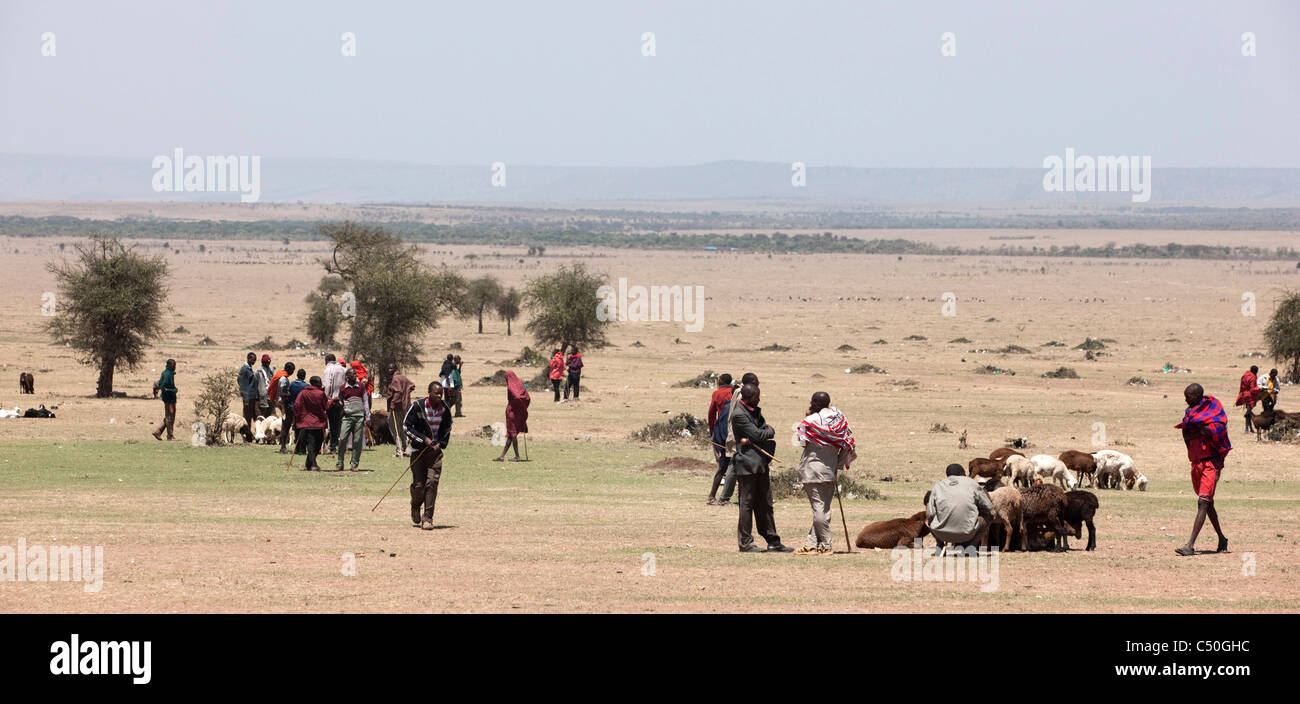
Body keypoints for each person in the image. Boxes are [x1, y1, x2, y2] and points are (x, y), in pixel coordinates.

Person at [731, 383, 792, 552]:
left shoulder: (755, 411)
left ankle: (773, 540)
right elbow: (758, 434)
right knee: (747, 504)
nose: (758, 399)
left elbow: (759, 431)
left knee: (765, 503)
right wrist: (769, 432)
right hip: (747, 465)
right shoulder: (739, 414)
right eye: (756, 397)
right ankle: (745, 543)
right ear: (748, 397)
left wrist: (763, 432)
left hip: (761, 463)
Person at [793, 392, 856, 555]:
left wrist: (806, 417)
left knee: (818, 509)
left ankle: (826, 545)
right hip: (830, 471)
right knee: (824, 509)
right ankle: (811, 544)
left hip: (812, 470)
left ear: (813, 402)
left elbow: (801, 442)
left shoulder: (811, 422)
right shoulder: (839, 419)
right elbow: (847, 445)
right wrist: (838, 465)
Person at [1174, 383, 1230, 556]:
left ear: (1197, 396)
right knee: (1207, 503)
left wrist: (1198, 432)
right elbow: (1187, 433)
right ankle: (1221, 538)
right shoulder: (1190, 414)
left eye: (1188, 396)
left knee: (1203, 502)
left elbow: (1216, 430)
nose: (1185, 399)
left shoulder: (1212, 410)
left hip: (1211, 463)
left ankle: (1189, 545)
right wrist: (1198, 432)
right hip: (1196, 462)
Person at [403, 381, 454, 530]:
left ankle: (428, 519)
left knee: (432, 483)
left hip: (435, 454)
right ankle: (415, 506)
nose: (439, 396)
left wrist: (440, 444)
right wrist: (423, 439)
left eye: (441, 394)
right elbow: (406, 426)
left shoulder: (445, 409)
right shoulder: (418, 406)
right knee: (419, 486)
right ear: (429, 393)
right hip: (418, 452)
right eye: (436, 393)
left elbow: (447, 428)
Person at [926, 464, 994, 551]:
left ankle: (939, 544)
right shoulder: (971, 483)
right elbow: (988, 506)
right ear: (961, 473)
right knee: (990, 515)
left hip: (940, 533)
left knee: (930, 518)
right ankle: (969, 546)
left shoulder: (938, 486)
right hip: (966, 533)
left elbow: (930, 513)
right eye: (965, 473)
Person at [705, 373, 735, 505]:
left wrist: (712, 430)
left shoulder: (717, 394)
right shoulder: (736, 392)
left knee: (722, 463)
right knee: (733, 464)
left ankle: (712, 496)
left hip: (721, 430)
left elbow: (712, 413)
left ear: (720, 382)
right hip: (734, 430)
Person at [335, 368, 371, 471]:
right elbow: (341, 401)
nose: (355, 375)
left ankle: (354, 464)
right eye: (353, 374)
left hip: (359, 416)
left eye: (355, 373)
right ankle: (340, 463)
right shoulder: (342, 388)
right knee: (342, 439)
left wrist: (367, 416)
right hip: (347, 417)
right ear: (347, 376)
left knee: (357, 441)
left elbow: (365, 401)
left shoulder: (361, 386)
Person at [293, 375, 330, 472]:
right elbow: (326, 406)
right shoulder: (320, 393)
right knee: (316, 444)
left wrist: (298, 418)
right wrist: (333, 401)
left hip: (306, 423)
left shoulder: (303, 393)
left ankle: (307, 464)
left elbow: (297, 405)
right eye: (320, 382)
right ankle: (314, 464)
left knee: (311, 444)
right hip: (318, 422)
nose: (321, 383)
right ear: (316, 383)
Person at [494, 371, 530, 462]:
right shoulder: (520, 383)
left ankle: (517, 456)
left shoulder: (511, 386)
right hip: (517, 413)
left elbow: (517, 397)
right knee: (510, 434)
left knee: (512, 434)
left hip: (512, 413)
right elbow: (527, 397)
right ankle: (502, 456)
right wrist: (523, 408)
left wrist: (516, 405)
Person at [385, 363, 415, 458]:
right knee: (402, 428)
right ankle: (406, 449)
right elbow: (412, 386)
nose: (389, 370)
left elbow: (398, 392)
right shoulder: (403, 377)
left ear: (394, 369)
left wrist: (393, 403)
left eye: (391, 368)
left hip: (397, 408)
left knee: (394, 429)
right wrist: (406, 396)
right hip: (405, 407)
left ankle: (399, 451)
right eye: (388, 368)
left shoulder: (396, 378)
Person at [322, 354, 347, 453]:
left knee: (331, 424)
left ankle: (332, 446)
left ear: (327, 361)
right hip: (342, 401)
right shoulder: (344, 369)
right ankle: (339, 444)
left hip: (331, 400)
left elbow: (327, 385)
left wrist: (326, 398)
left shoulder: (328, 369)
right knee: (339, 424)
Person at [272, 362, 296, 453]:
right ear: (289, 370)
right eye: (292, 370)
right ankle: (283, 447)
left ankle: (283, 447)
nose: (292, 372)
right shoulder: (283, 379)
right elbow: (282, 392)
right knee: (286, 425)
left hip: (282, 403)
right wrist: (290, 394)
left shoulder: (282, 377)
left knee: (285, 425)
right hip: (284, 405)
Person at [152, 358, 178, 441]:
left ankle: (158, 432)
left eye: (175, 365)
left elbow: (159, 383)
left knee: (168, 416)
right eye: (173, 365)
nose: (175, 367)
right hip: (169, 399)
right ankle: (170, 436)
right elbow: (163, 386)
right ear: (169, 365)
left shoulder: (166, 373)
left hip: (168, 398)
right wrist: (174, 390)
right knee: (170, 417)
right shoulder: (168, 374)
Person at [237, 352, 259, 442]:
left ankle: (251, 436)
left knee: (252, 416)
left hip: (252, 397)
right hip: (248, 398)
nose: (254, 362)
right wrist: (245, 399)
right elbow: (243, 384)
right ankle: (247, 437)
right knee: (247, 418)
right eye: (253, 360)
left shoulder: (249, 368)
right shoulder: (244, 369)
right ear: (248, 358)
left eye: (255, 360)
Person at [286, 368, 308, 452]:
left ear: (297, 376)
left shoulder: (292, 384)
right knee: (302, 428)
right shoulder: (306, 386)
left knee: (295, 427)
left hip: (293, 408)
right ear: (304, 376)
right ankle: (302, 448)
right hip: (302, 410)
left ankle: (297, 447)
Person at [1235, 365, 1259, 432]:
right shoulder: (1253, 377)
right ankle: (1247, 428)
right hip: (1250, 396)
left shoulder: (1245, 375)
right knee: (1248, 412)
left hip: (1244, 395)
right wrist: (1260, 389)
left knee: (1249, 412)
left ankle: (1250, 428)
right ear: (1255, 371)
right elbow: (1253, 389)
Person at [255, 354, 276, 420]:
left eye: (269, 362)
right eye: (267, 363)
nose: (268, 364)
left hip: (271, 395)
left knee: (272, 414)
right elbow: (255, 384)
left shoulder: (271, 370)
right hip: (263, 396)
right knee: (263, 414)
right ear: (263, 362)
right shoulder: (258, 371)